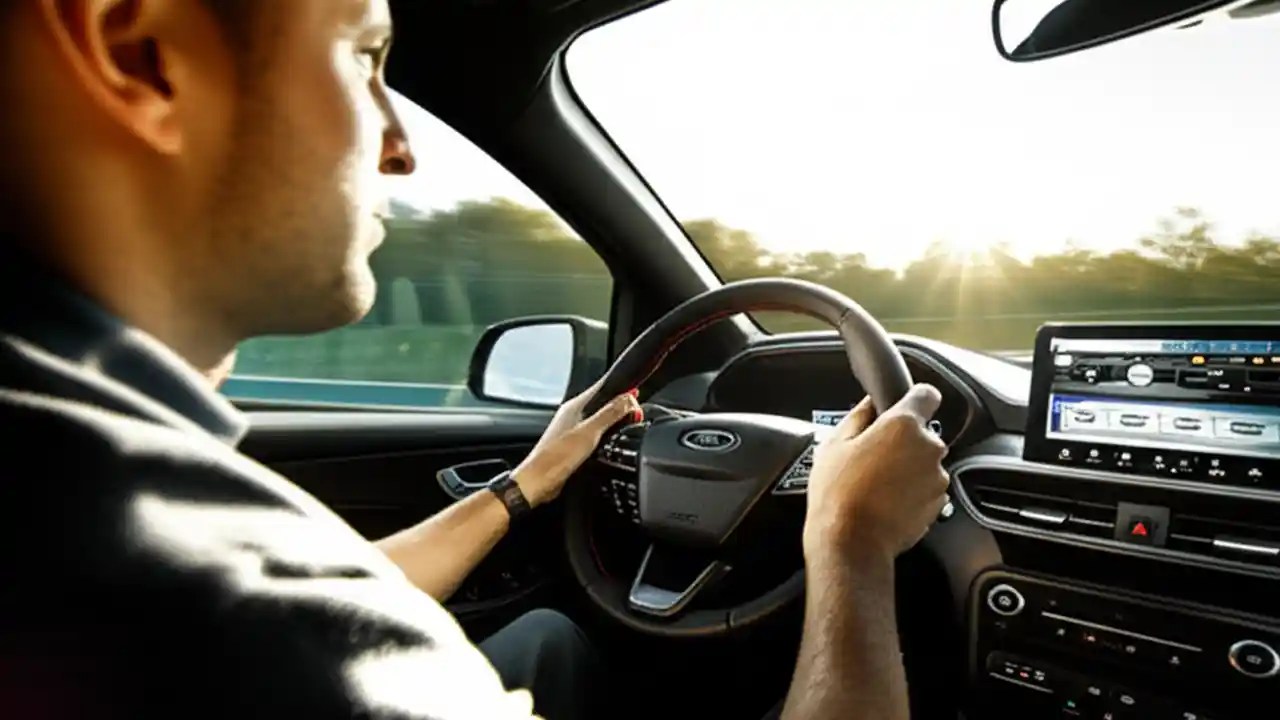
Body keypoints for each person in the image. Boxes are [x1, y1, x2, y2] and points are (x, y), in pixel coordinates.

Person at [0, 2, 950, 720]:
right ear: (142, 55)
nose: (401, 148)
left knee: (546, 644)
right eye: (365, 59)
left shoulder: (73, 478)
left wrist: (526, 484)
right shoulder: (253, 631)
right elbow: (305, 610)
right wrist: (850, 543)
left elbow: (350, 581)